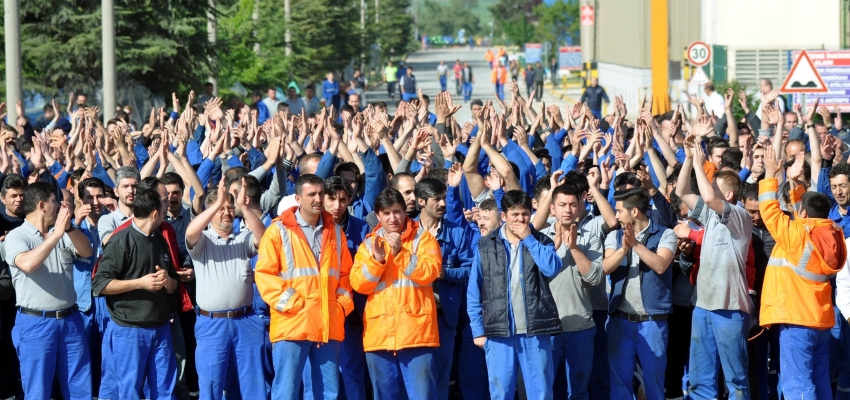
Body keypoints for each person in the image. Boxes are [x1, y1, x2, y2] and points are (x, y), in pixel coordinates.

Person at [255, 174, 353, 400]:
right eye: (312, 194)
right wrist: (294, 304)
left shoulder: (336, 232)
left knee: (328, 393)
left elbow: (346, 275)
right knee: (286, 392)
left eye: (321, 194)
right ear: (298, 198)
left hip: (327, 324)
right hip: (293, 323)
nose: (318, 199)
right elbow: (264, 275)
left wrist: (339, 305)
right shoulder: (278, 231)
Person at [759, 146, 845, 399]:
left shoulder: (798, 235)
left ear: (803, 215)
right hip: (820, 320)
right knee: (820, 382)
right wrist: (796, 183)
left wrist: (771, 175)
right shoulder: (833, 233)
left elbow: (769, 211)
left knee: (798, 386)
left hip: (796, 322)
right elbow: (804, 213)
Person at [676, 138, 754, 399]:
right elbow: (681, 191)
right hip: (703, 306)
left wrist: (701, 162)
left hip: (730, 309)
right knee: (700, 379)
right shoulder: (710, 214)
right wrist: (688, 159)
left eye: (715, 186)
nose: (708, 190)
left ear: (729, 195)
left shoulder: (740, 216)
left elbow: (708, 197)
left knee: (736, 381)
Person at [467, 190, 563, 400]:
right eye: (515, 214)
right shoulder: (485, 245)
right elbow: (474, 291)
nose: (521, 219)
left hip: (536, 330)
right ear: (503, 216)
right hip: (498, 332)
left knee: (542, 392)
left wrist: (529, 239)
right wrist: (478, 330)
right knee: (501, 392)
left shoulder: (541, 241)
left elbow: (552, 268)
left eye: (525, 214)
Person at [350, 188, 442, 399]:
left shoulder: (423, 239)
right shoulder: (368, 245)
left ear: (405, 212)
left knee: (424, 395)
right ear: (377, 215)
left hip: (416, 334)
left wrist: (400, 253)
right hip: (379, 336)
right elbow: (358, 284)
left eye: (397, 211)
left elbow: (429, 273)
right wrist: (377, 261)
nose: (393, 218)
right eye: (386, 213)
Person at [6, 182, 95, 399]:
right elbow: (27, 264)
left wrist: (70, 228)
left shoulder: (64, 232)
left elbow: (87, 251)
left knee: (80, 388)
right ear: (42, 205)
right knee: (38, 391)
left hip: (71, 321)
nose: (62, 206)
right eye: (56, 202)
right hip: (36, 323)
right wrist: (55, 236)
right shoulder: (17, 236)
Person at [91, 188, 180, 399]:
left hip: (160, 328)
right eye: (164, 204)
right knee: (128, 390)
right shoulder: (121, 240)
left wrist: (169, 282)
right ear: (155, 213)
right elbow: (100, 285)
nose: (168, 207)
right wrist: (140, 283)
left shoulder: (160, 240)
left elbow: (174, 284)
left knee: (165, 390)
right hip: (129, 329)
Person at [185, 178, 267, 400]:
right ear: (211, 213)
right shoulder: (203, 240)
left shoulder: (243, 237)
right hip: (212, 323)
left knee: (253, 386)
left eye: (231, 208)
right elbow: (190, 233)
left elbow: (264, 238)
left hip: (246, 320)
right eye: (222, 208)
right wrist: (215, 204)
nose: (227, 213)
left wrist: (245, 208)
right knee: (211, 385)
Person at [603, 187, 676, 400]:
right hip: (619, 320)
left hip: (653, 322)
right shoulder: (614, 237)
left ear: (634, 212)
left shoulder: (666, 234)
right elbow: (606, 267)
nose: (615, 215)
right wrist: (624, 249)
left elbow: (661, 265)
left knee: (654, 383)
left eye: (619, 211)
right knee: (619, 384)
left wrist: (635, 244)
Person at [541, 181, 605, 399]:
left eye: (572, 204)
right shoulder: (540, 237)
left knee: (578, 391)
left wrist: (574, 247)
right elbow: (534, 275)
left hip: (580, 326)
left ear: (579, 207)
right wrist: (556, 245)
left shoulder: (591, 238)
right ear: (552, 208)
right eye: (562, 204)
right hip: (546, 327)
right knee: (547, 389)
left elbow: (595, 277)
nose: (567, 210)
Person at [414, 177, 473, 400]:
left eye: (443, 199)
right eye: (436, 199)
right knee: (417, 376)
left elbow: (469, 269)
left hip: (443, 316)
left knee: (441, 374)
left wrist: (445, 274)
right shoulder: (408, 232)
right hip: (414, 315)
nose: (442, 204)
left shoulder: (456, 232)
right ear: (421, 201)